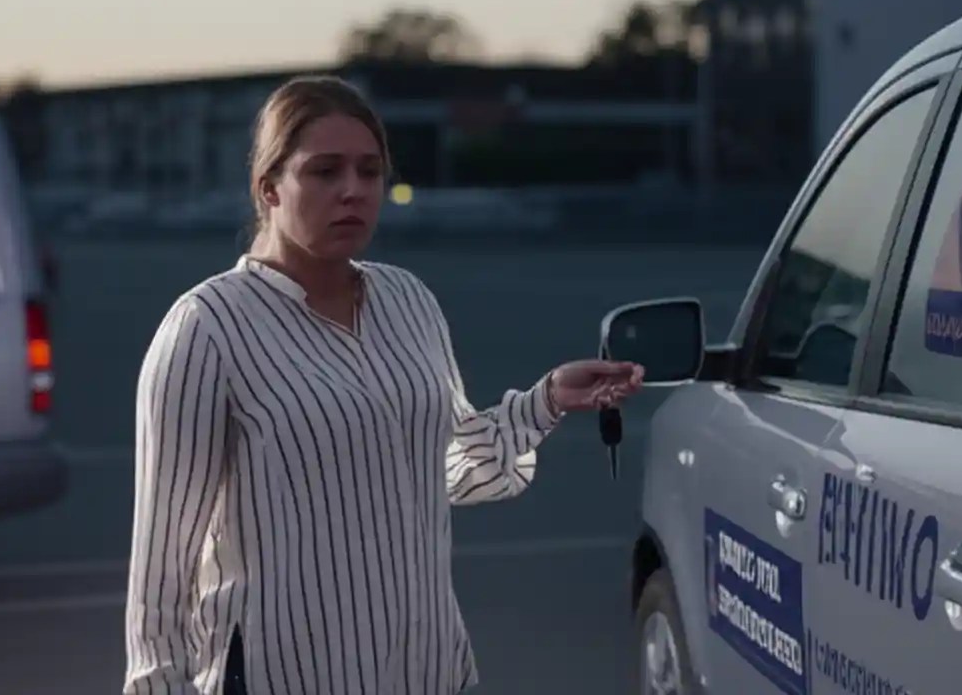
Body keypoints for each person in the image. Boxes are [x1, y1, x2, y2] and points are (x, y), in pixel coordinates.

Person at [123, 74, 645, 695]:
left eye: (369, 172)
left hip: (425, 670)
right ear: (269, 188)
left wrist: (547, 402)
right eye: (324, 172)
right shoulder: (208, 327)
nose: (353, 191)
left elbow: (453, 467)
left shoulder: (408, 300)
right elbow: (162, 564)